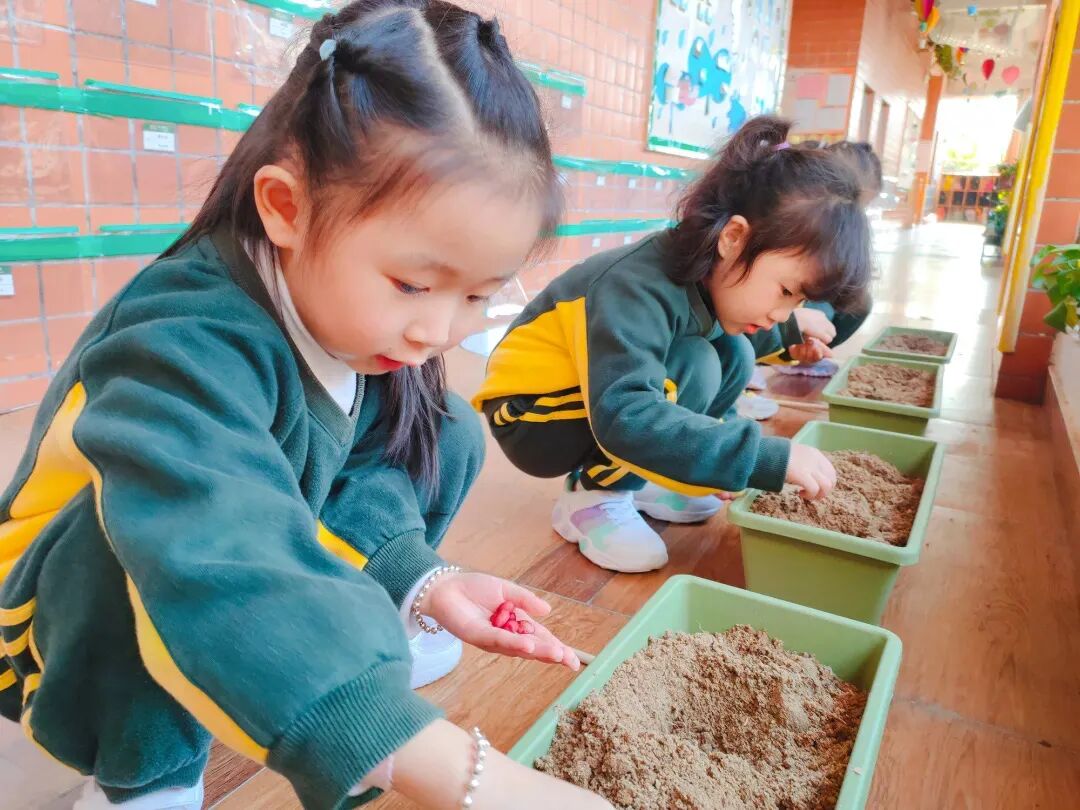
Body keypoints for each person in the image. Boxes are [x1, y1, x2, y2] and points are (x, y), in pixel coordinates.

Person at [0, 2, 613, 808]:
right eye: (413, 284)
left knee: (442, 428)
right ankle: (140, 781)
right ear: (286, 207)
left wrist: (419, 580)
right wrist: (457, 771)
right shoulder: (182, 336)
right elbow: (218, 545)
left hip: (230, 555)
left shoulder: (358, 323)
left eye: (477, 296)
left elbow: (357, 467)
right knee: (145, 549)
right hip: (61, 619)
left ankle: (334, 647)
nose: (437, 328)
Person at [472, 116, 872, 573]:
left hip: (592, 400)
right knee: (697, 364)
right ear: (734, 238)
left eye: (798, 299)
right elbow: (625, 415)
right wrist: (756, 456)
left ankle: (642, 476)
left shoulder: (704, 278)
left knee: (731, 353)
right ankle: (595, 498)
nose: (785, 310)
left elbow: (725, 339)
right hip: (530, 414)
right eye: (785, 291)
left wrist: (787, 332)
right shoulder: (635, 285)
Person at [748, 140, 883, 367]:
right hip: (747, 327)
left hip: (777, 319)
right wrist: (790, 323)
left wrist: (796, 336)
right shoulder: (785, 218)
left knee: (856, 302)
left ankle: (793, 352)